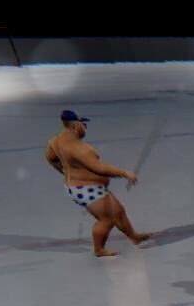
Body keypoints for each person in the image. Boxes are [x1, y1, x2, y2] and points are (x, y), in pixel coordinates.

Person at [44, 110, 152, 257]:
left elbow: (50, 158)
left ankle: (134, 237)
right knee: (107, 219)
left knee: (118, 211)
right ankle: (99, 249)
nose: (85, 128)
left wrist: (65, 171)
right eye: (83, 124)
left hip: (79, 186)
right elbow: (100, 168)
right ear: (75, 126)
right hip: (86, 189)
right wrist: (124, 173)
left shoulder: (54, 142)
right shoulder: (80, 149)